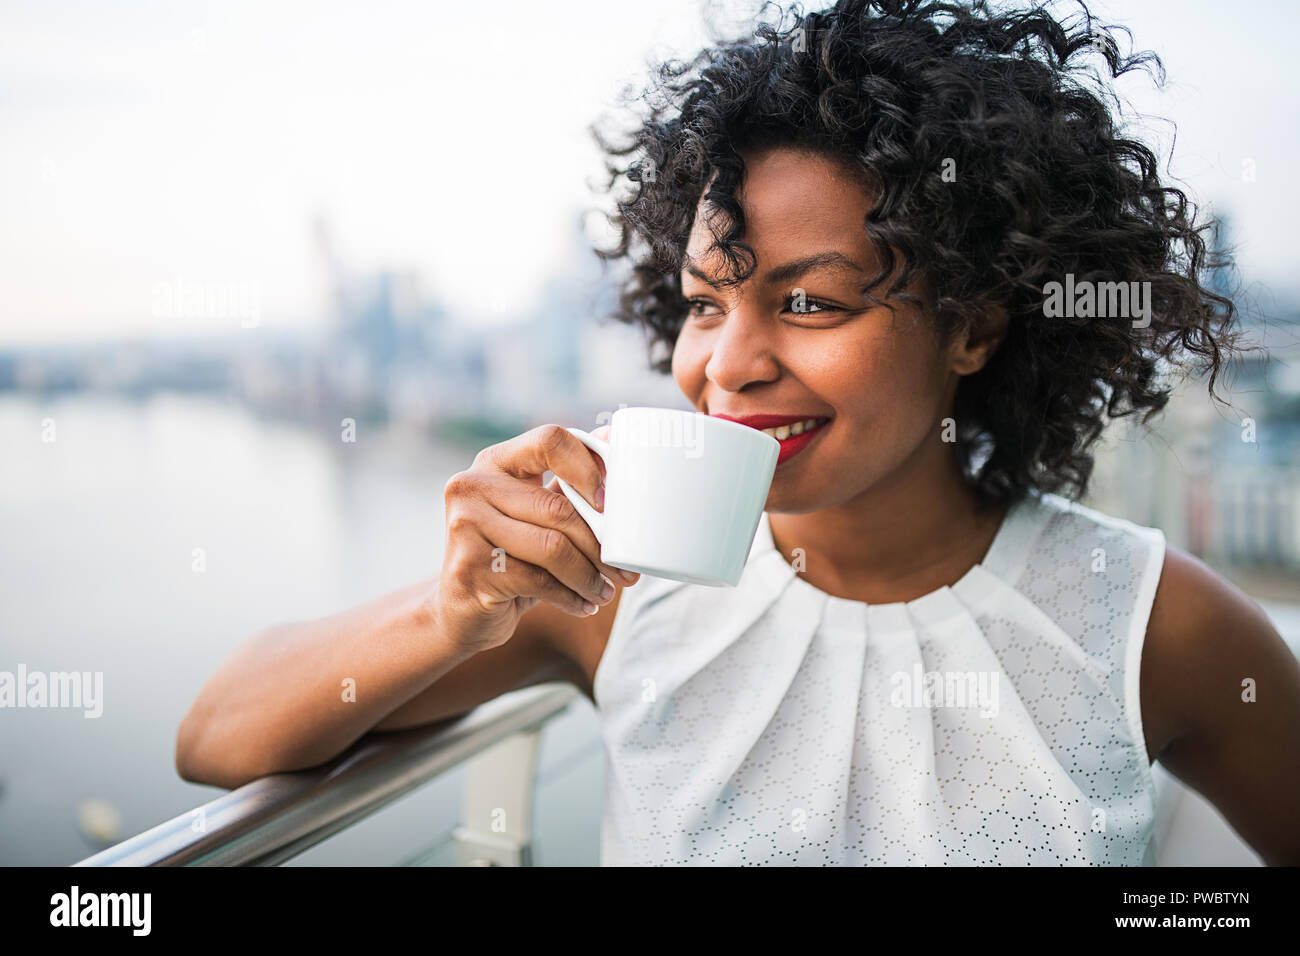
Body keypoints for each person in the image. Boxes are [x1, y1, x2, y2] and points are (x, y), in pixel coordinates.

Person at [176, 0, 1300, 865]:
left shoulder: (1149, 623)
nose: (731, 362)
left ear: (973, 326)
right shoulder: (613, 587)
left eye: (811, 302)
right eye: (706, 302)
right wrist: (447, 612)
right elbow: (217, 733)